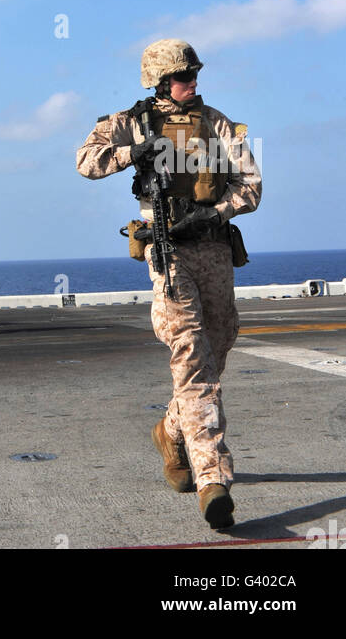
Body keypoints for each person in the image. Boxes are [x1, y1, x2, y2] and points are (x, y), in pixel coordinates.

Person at [76, 39, 261, 530]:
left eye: (195, 76)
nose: (193, 84)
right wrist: (131, 152)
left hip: (215, 248)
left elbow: (252, 185)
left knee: (219, 343)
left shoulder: (218, 123)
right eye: (183, 78)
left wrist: (215, 212)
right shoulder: (131, 121)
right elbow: (85, 161)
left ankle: (171, 430)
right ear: (159, 80)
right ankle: (212, 478)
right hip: (170, 252)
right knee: (192, 356)